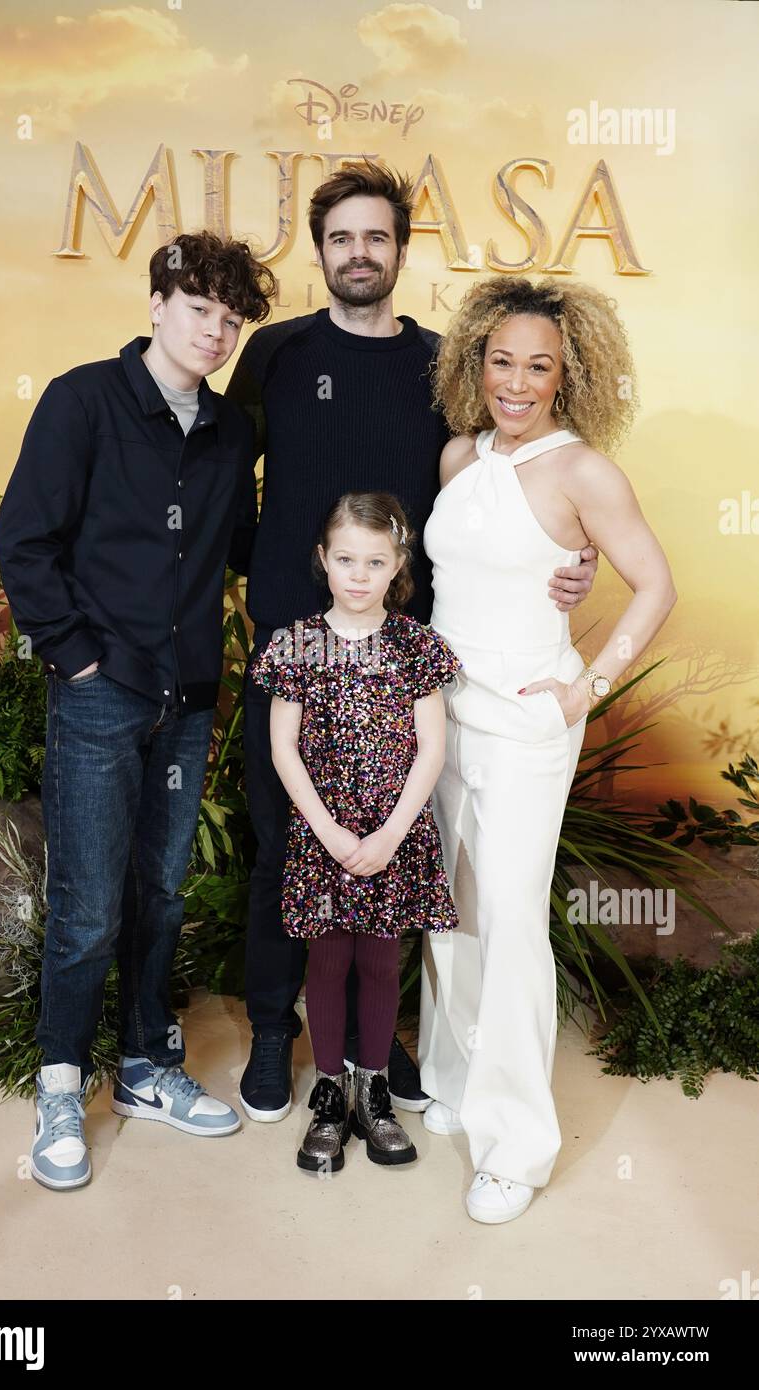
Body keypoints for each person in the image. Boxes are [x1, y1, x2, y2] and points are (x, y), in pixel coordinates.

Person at [225, 158, 602, 1125]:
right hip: (297, 650)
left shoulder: (442, 366)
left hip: (408, 664)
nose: (360, 252)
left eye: (377, 236)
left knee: (399, 856)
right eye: (342, 237)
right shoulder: (274, 353)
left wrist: (578, 555)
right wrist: (249, 580)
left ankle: (384, 1043)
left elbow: (494, 488)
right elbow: (226, 476)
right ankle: (278, 1036)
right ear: (322, 251)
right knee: (286, 847)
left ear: (401, 250)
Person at [0, 230, 277, 1190]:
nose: (216, 332)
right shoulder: (83, 399)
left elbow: (240, 546)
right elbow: (24, 539)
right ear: (157, 303)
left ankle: (150, 1067)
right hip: (102, 694)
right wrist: (75, 661)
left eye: (231, 320)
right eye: (200, 309)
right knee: (85, 907)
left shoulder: (230, 431)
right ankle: (63, 1083)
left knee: (160, 892)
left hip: (190, 697)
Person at [418, 275, 678, 1223]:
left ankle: (516, 1151)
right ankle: (452, 1082)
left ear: (569, 376)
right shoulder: (457, 458)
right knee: (449, 903)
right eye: (502, 362)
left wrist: (587, 684)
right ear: (475, 363)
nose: (517, 383)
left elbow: (655, 584)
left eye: (539, 366)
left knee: (516, 919)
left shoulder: (585, 473)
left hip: (528, 723)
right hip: (441, 711)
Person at [250, 493, 462, 1171]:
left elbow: (433, 748)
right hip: (325, 834)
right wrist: (332, 834)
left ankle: (374, 1090)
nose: (359, 575)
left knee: (378, 959)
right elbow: (283, 747)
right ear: (324, 560)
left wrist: (391, 835)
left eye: (375, 561)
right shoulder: (297, 643)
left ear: (399, 565)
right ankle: (328, 1095)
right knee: (328, 961)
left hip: (392, 833)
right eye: (346, 559)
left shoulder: (415, 645)